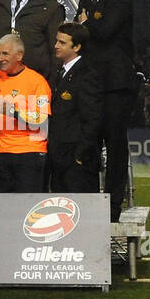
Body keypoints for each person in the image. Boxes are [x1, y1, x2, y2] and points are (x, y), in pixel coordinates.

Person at [76, 0, 136, 220]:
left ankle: (112, 205)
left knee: (114, 144)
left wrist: (87, 23)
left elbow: (105, 32)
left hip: (115, 84)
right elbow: (82, 38)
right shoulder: (86, 1)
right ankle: (89, 201)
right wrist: (89, 25)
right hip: (91, 83)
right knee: (89, 141)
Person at [0, 34, 50, 193]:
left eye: (5, 54)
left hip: (29, 154)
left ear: (19, 55)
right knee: (6, 210)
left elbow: (41, 120)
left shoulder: (37, 82)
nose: (0, 58)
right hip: (3, 154)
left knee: (28, 210)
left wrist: (11, 111)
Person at [47, 22, 102, 193]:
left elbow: (93, 117)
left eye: (62, 43)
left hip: (76, 157)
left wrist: (80, 154)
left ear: (77, 47)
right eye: (56, 41)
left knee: (80, 212)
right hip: (58, 154)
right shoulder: (58, 72)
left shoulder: (87, 74)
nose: (56, 46)